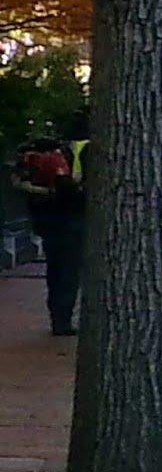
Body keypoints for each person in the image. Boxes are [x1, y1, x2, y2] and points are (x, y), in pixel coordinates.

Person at [10, 124, 87, 336]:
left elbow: (19, 184)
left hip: (44, 220)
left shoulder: (35, 158)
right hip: (70, 219)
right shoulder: (78, 152)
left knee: (55, 269)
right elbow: (71, 192)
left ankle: (56, 316)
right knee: (69, 272)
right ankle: (63, 320)